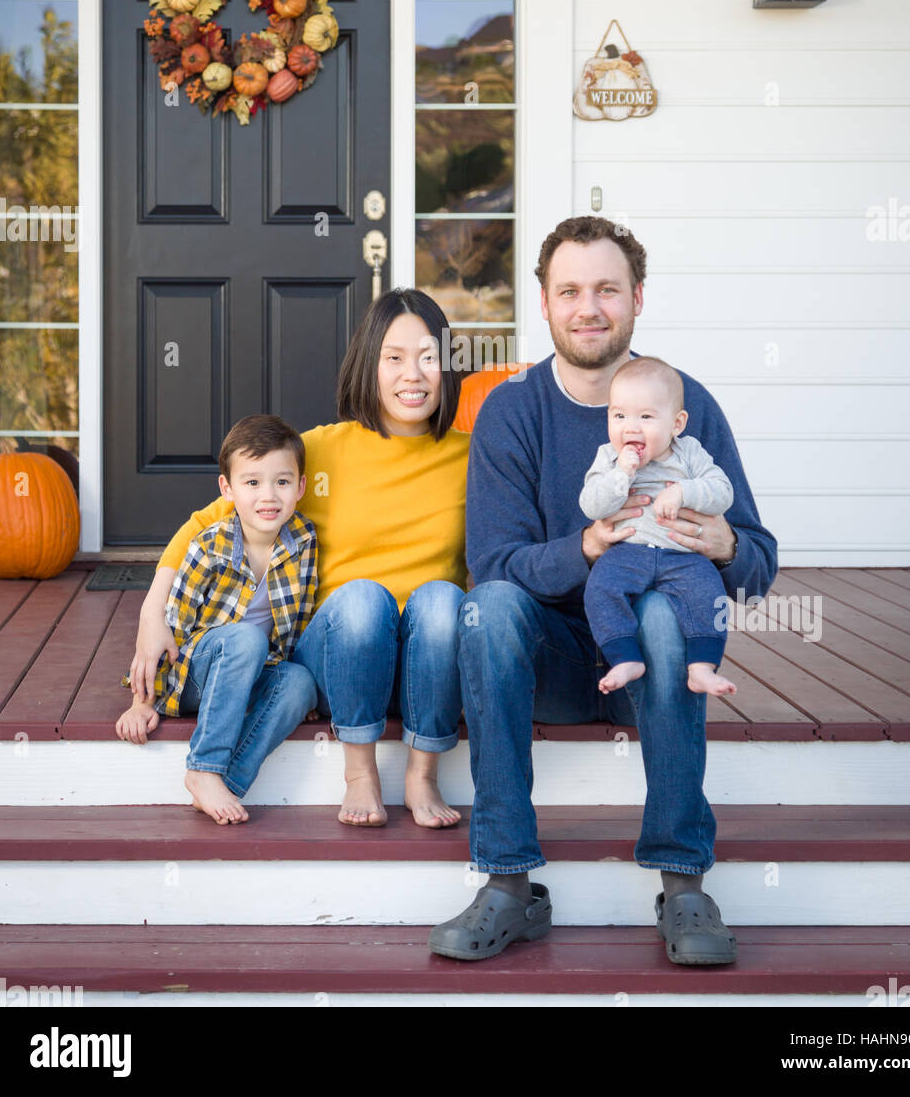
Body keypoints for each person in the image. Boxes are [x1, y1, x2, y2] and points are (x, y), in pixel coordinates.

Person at [429, 215, 777, 965]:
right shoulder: (513, 410)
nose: (589, 308)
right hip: (551, 660)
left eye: (607, 290)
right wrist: (588, 547)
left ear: (638, 298)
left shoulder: (686, 404)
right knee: (487, 611)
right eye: (571, 291)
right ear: (546, 303)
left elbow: (758, 565)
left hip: (651, 665)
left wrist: (726, 543)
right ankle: (508, 883)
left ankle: (684, 883)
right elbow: (494, 566)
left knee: (660, 614)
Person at [129, 288, 470, 830]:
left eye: (428, 356)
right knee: (360, 596)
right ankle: (360, 773)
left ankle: (423, 774)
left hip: (427, 666)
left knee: (444, 600)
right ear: (368, 364)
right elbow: (204, 524)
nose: (414, 374)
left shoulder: (470, 456)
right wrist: (152, 616)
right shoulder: (322, 451)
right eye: (394, 358)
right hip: (342, 657)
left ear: (448, 365)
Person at [116, 414, 319, 826]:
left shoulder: (304, 541)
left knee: (300, 681)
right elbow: (170, 629)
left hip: (256, 670)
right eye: (252, 482)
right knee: (244, 639)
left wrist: (295, 699)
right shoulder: (207, 547)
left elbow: (297, 625)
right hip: (195, 673)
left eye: (282, 482)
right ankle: (205, 764)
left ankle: (223, 780)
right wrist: (141, 702)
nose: (268, 496)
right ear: (227, 489)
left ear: (300, 487)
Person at [580, 355, 738, 698]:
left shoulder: (690, 453)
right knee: (600, 588)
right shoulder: (608, 457)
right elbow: (591, 504)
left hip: (683, 555)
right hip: (628, 553)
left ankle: (701, 668)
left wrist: (684, 491)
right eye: (619, 415)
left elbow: (723, 492)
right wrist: (622, 474)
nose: (630, 428)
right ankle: (624, 657)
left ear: (676, 424)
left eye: (646, 417)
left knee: (709, 593)